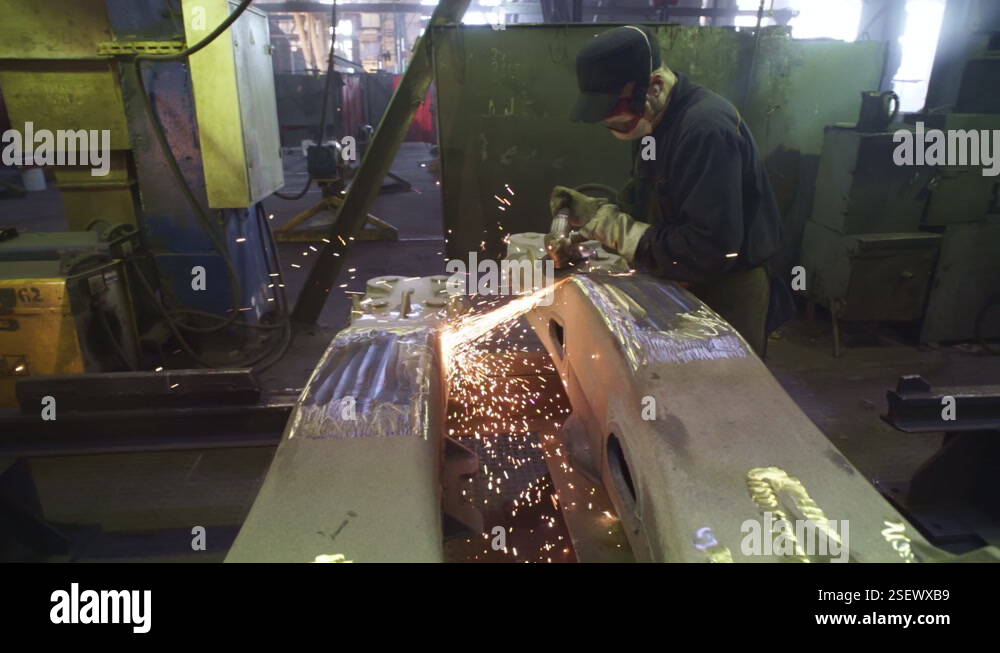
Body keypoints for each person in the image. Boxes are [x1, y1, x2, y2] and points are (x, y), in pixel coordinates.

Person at [549, 25, 794, 356]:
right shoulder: (653, 122)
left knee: (722, 390)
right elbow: (644, 198)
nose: (616, 130)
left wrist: (613, 228)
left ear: (655, 85)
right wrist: (589, 225)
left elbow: (707, 250)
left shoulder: (706, 130)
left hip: (727, 290)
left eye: (619, 120)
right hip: (681, 278)